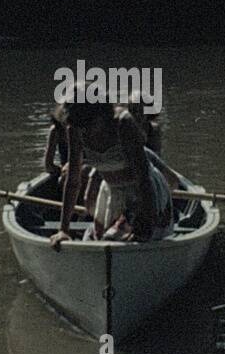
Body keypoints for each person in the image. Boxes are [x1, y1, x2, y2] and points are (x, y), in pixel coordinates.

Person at [49, 86, 174, 250]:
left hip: (142, 193)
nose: (85, 131)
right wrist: (63, 229)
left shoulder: (123, 123)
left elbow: (143, 178)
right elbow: (73, 181)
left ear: (100, 112)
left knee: (122, 239)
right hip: (111, 192)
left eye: (89, 124)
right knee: (103, 241)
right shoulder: (75, 128)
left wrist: (145, 219)